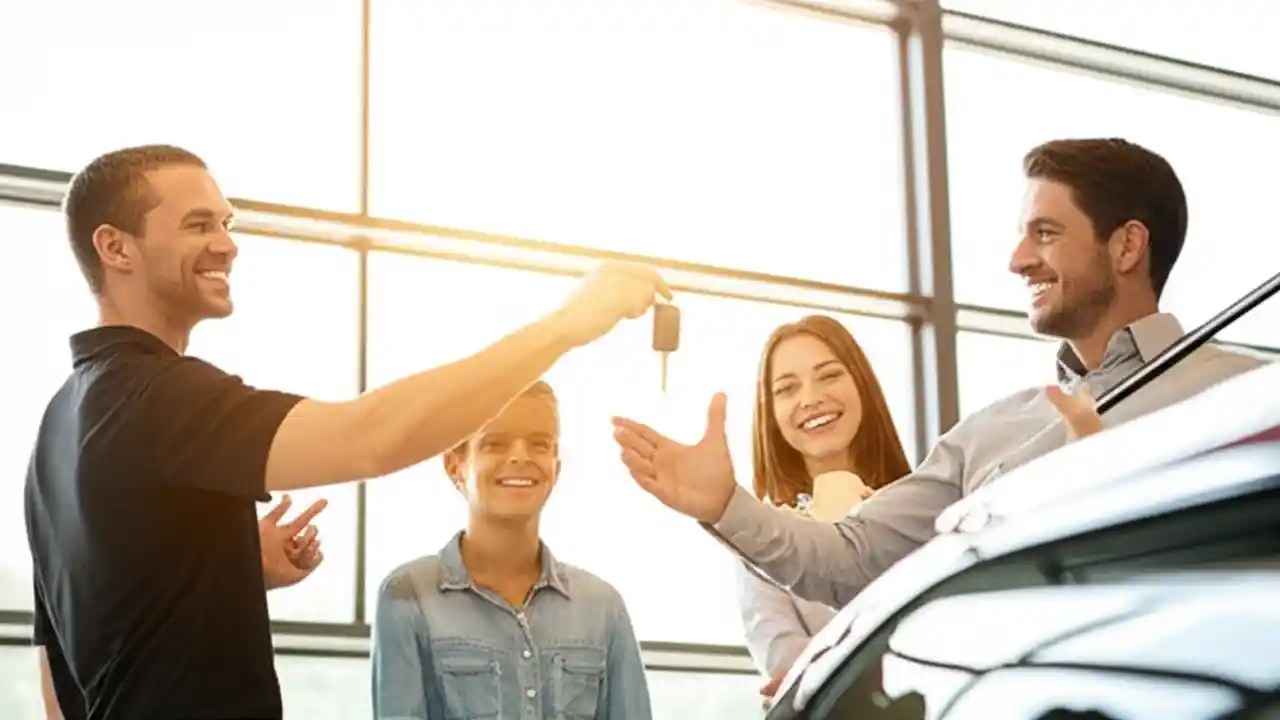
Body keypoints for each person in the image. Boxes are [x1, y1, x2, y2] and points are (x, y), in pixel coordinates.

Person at [25, 144, 669, 720]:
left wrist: (228, 569)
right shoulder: (158, 396)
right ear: (115, 248)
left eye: (226, 223)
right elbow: (370, 437)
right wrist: (569, 325)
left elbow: (58, 666)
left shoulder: (60, 424)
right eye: (198, 225)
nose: (227, 243)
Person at [611, 137, 1269, 614]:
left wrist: (1115, 505)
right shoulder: (992, 432)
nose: (1017, 260)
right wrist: (725, 505)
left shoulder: (1252, 398)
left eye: (1044, 233)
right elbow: (851, 561)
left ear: (1127, 246)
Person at [371, 380, 651, 719]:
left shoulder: (603, 606)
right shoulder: (408, 595)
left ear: (555, 468)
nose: (520, 456)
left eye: (539, 444)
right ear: (454, 466)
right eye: (495, 443)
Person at [737, 315, 912, 700]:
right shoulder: (762, 541)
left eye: (829, 376)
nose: (810, 398)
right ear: (771, 414)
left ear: (861, 386)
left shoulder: (923, 507)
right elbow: (794, 670)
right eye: (786, 388)